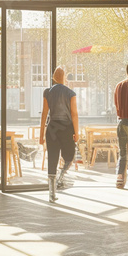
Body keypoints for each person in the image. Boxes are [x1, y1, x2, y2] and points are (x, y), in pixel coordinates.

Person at [38, 67, 79, 202]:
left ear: (54, 77)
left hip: (52, 128)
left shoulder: (48, 92)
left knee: (52, 158)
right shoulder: (70, 93)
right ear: (64, 77)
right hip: (66, 128)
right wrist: (76, 133)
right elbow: (74, 114)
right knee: (69, 156)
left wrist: (41, 135)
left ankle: (51, 193)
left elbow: (44, 114)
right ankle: (61, 177)